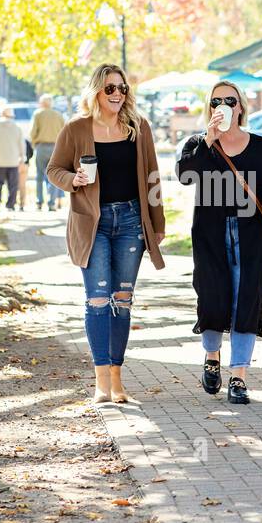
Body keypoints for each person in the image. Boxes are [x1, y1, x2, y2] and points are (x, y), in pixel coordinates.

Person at [47, 64, 165, 404]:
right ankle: (101, 382)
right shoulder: (76, 129)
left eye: (122, 88)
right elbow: (54, 169)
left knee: (122, 301)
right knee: (98, 300)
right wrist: (74, 180)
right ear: (97, 91)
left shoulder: (138, 128)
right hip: (92, 224)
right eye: (110, 88)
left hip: (131, 221)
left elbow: (153, 177)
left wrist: (157, 225)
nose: (117, 94)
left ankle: (117, 379)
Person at [177, 82, 262, 405]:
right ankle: (212, 356)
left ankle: (239, 376)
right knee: (212, 298)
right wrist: (208, 141)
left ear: (240, 107)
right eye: (216, 101)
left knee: (246, 301)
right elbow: (184, 175)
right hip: (210, 235)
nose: (223, 105)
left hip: (252, 236)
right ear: (209, 108)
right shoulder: (198, 144)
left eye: (230, 100)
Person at [0, 105, 25, 211]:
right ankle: (10, 205)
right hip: (13, 161)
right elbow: (22, 144)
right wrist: (22, 158)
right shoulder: (17, 126)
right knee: (13, 185)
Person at [30, 93, 65, 211]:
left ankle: (39, 202)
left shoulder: (38, 114)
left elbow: (33, 132)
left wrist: (35, 143)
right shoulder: (58, 115)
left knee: (40, 176)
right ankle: (52, 203)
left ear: (42, 103)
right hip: (55, 148)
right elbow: (64, 133)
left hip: (41, 147)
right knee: (54, 176)